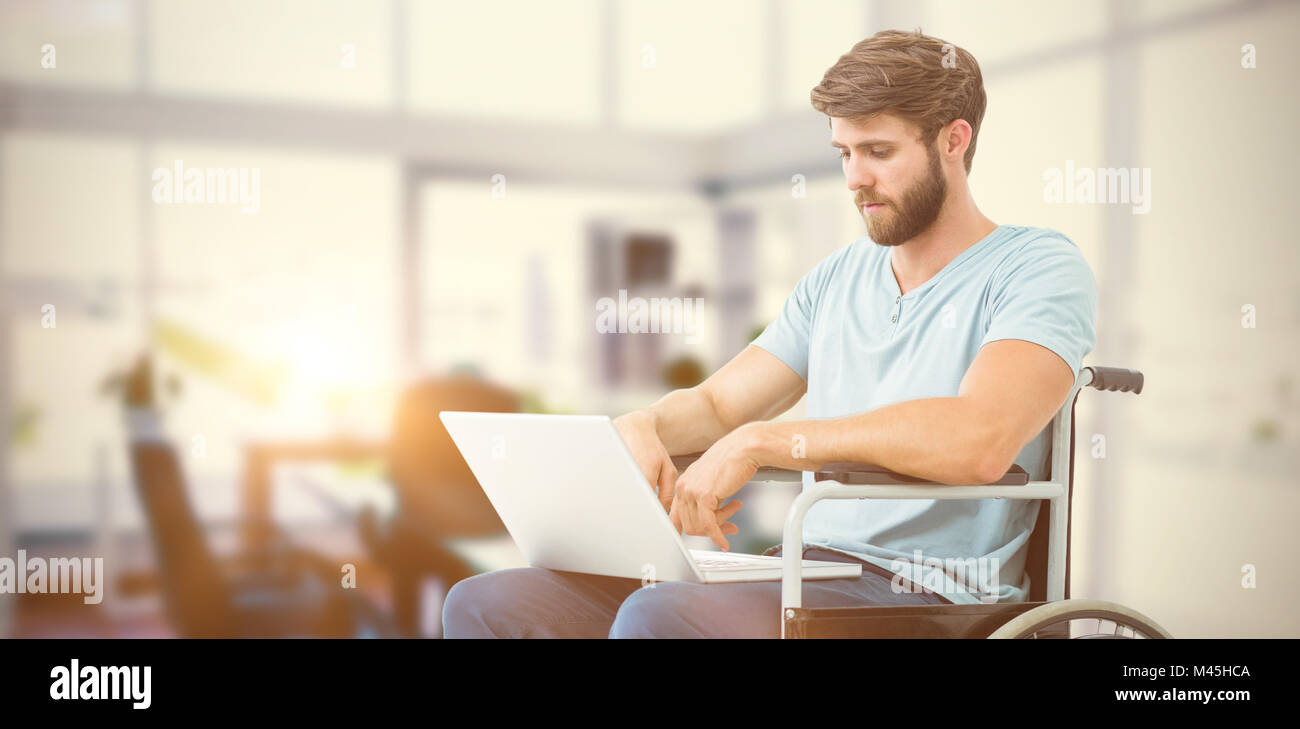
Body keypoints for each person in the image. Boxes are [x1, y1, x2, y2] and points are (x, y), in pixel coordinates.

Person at [443, 28, 1097, 638]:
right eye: (844, 153)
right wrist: (644, 426)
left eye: (878, 152)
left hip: (928, 593)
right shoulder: (837, 278)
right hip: (805, 568)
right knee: (486, 602)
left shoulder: (1037, 266)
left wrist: (764, 442)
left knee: (658, 617)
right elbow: (719, 405)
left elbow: (979, 439)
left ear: (954, 141)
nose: (855, 178)